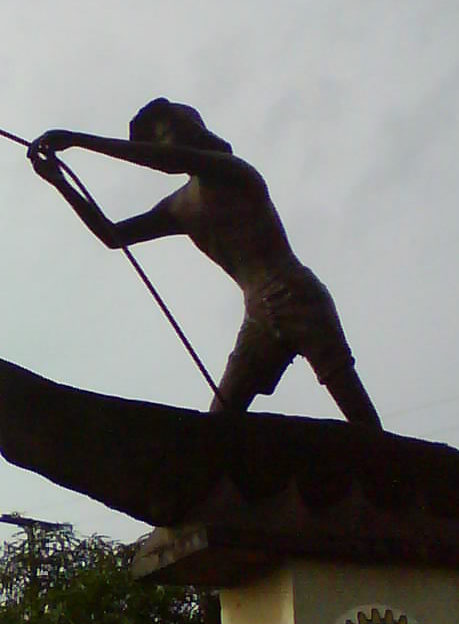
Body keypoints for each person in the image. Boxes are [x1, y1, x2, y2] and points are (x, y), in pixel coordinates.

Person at [27, 98, 381, 428]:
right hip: (257, 314)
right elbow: (112, 235)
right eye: (172, 133)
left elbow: (172, 161)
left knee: (353, 405)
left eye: (187, 125)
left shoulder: (231, 170)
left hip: (296, 292)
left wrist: (77, 140)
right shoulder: (179, 206)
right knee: (220, 423)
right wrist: (59, 181)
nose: (187, 134)